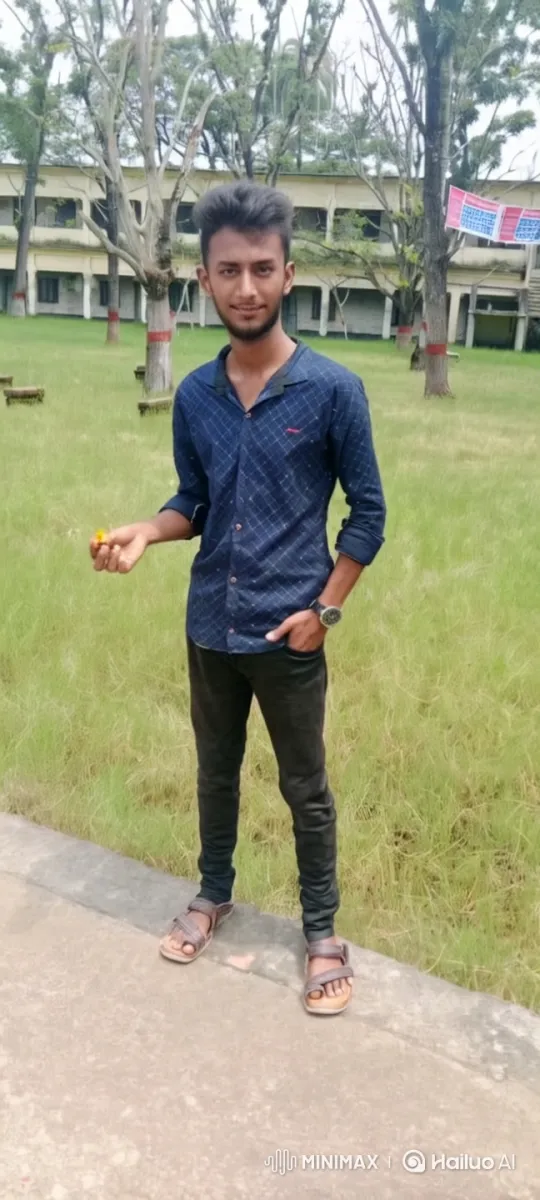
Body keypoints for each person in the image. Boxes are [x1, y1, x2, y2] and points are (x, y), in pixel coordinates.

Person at [89, 181, 386, 1016]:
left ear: (288, 274)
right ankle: (213, 891)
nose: (246, 287)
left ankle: (321, 931)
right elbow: (195, 500)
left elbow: (369, 516)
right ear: (204, 279)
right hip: (210, 628)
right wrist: (148, 531)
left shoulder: (333, 391)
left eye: (262, 269)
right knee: (214, 773)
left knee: (305, 787)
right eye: (229, 270)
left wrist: (322, 613)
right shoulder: (196, 396)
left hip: (290, 635)